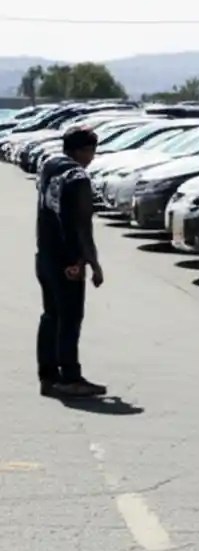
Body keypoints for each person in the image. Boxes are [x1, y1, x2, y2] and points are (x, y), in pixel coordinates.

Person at [36, 126, 106, 399]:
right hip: (69, 261)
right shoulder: (78, 178)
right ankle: (70, 376)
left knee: (51, 315)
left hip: (45, 255)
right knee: (70, 318)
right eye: (91, 151)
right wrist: (92, 263)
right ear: (81, 151)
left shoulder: (49, 166)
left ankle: (49, 376)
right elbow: (82, 226)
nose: (92, 158)